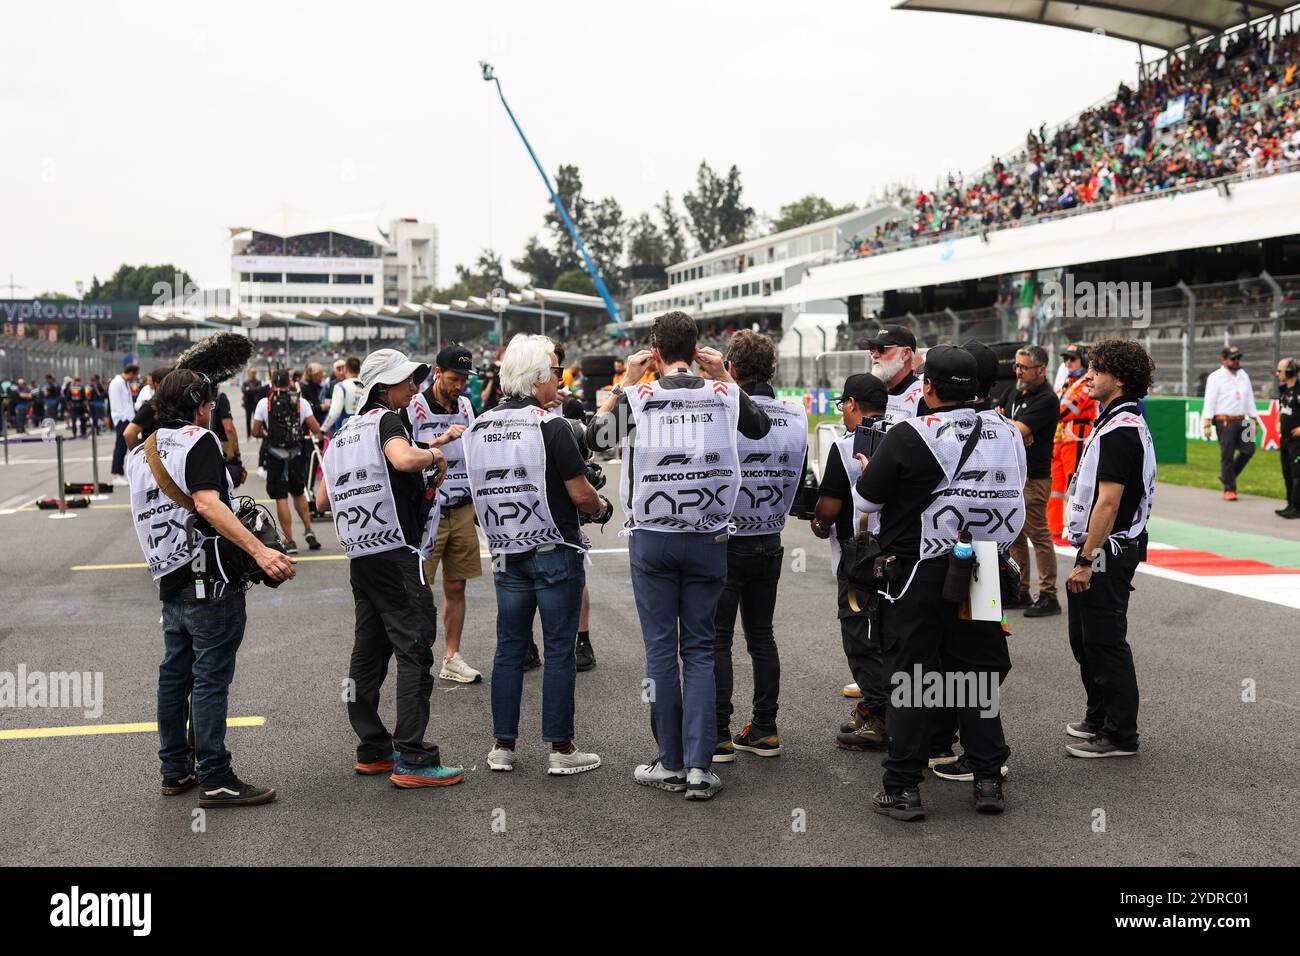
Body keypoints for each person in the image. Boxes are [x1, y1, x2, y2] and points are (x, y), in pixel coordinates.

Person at [588, 311, 771, 801]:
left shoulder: (637, 395)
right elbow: (761, 426)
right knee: (701, 650)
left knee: (661, 652)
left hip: (652, 537)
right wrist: (725, 376)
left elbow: (596, 439)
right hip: (709, 537)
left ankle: (670, 762)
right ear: (696, 349)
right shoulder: (724, 393)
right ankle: (697, 766)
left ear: (654, 350)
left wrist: (626, 381)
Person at [855, 346, 1026, 821]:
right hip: (985, 563)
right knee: (977, 674)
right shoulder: (1008, 430)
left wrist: (872, 469)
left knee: (912, 677)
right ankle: (988, 777)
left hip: (921, 567)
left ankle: (903, 787)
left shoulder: (912, 432)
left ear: (927, 387)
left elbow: (867, 502)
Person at [126, 369, 295, 806]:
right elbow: (205, 503)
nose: (212, 410)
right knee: (209, 681)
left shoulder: (138, 452)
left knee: (174, 677)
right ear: (199, 403)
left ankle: (175, 769)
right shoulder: (198, 441)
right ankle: (216, 776)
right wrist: (260, 552)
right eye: (210, 402)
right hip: (209, 578)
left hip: (169, 579)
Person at [316, 348, 465, 789]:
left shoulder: (343, 432)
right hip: (398, 554)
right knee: (415, 650)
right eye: (407, 381)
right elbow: (402, 459)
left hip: (361, 557)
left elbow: (322, 500)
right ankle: (414, 757)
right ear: (383, 387)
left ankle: (374, 749)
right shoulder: (387, 421)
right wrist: (434, 458)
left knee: (368, 653)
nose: (414, 387)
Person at [462, 334, 610, 776]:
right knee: (560, 648)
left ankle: (502, 747)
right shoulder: (551, 425)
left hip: (506, 550)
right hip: (554, 548)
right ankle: (561, 749)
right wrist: (601, 508)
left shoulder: (480, 425)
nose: (559, 381)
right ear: (539, 378)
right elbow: (581, 493)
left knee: (509, 648)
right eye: (555, 373)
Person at [712, 331, 807, 763]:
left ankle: (718, 733)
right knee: (762, 637)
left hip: (727, 537)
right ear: (771, 369)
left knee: (717, 640)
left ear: (731, 368)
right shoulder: (796, 411)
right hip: (770, 535)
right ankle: (765, 728)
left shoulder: (724, 408)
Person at [1063, 338, 1157, 759]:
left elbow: (1110, 501)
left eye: (1096, 369)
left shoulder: (1122, 429)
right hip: (1099, 545)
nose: (1088, 376)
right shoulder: (1115, 418)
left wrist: (1086, 560)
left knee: (1104, 640)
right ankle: (1099, 715)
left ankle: (1121, 734)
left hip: (1108, 549)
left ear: (1117, 379)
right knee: (1084, 638)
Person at [811, 373, 891, 751]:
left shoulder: (846, 447)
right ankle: (898, 710)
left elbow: (829, 506)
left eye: (843, 404)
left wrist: (817, 522)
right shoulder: (908, 434)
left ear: (852, 404)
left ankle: (877, 716)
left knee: (860, 634)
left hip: (861, 556)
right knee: (896, 636)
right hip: (903, 554)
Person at [404, 346, 483, 684]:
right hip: (428, 511)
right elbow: (401, 454)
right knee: (417, 590)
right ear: (437, 372)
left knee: (457, 586)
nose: (459, 386)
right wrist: (441, 439)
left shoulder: (467, 406)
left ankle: (451, 657)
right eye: (453, 378)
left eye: (464, 379)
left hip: (462, 506)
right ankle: (413, 658)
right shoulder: (413, 407)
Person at [1007, 345, 1061, 616]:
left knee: (1038, 535)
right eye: (1016, 365)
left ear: (1041, 370)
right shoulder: (1018, 393)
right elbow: (1007, 424)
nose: (1018, 370)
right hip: (1016, 475)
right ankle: (1021, 590)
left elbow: (1017, 428)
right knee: (1016, 536)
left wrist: (1016, 428)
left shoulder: (1047, 399)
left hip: (1035, 477)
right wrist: (1013, 427)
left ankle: (1049, 595)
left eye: (1023, 367)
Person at [252, 369, 322, 554]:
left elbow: (255, 431)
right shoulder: (301, 402)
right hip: (297, 454)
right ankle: (308, 530)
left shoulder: (264, 403)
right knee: (299, 493)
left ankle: (290, 541)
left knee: (280, 497)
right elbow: (315, 428)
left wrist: (266, 433)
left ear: (272, 382)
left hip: (275, 455)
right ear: (289, 382)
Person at [1049, 346, 1095, 541]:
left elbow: (1065, 411)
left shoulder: (1086, 384)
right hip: (1060, 440)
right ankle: (1054, 530)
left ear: (1083, 361)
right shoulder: (1067, 382)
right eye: (1066, 359)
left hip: (1076, 440)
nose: (1068, 362)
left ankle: (1077, 530)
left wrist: (1047, 413)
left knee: (1073, 487)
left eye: (1072, 359)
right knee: (1055, 489)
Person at [1202, 346, 1259, 501]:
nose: (1236, 361)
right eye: (1233, 358)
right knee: (1227, 454)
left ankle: (1227, 476)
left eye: (1238, 358)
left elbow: (1249, 398)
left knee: (1249, 450)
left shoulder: (1244, 375)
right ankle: (1230, 489)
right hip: (1224, 420)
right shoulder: (1215, 377)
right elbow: (1209, 401)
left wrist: (1254, 418)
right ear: (1224, 359)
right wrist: (1207, 423)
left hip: (1244, 420)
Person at [864, 325, 925, 423]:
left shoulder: (923, 397)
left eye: (881, 348)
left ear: (905, 354)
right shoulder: (867, 392)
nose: (874, 355)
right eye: (872, 349)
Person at [1275, 357, 1300, 519]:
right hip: (1285, 439)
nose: (1277, 374)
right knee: (1287, 472)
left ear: (1289, 371)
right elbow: (1282, 408)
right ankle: (1290, 504)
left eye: (1280, 370)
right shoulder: (1284, 390)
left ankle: (1297, 507)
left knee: (1298, 474)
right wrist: (1278, 421)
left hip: (1297, 441)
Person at [108, 364, 140, 484]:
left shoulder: (124, 382)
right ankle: (117, 474)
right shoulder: (116, 383)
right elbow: (116, 403)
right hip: (122, 419)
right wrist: (123, 419)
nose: (135, 378)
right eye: (135, 375)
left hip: (127, 419)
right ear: (131, 373)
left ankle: (119, 473)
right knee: (120, 447)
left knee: (122, 447)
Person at [322, 356, 363, 437]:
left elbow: (334, 412)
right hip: (361, 428)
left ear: (346, 369)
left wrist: (323, 429)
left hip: (344, 430)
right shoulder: (365, 386)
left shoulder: (340, 386)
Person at [240, 369, 267, 439]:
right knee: (248, 420)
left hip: (255, 403)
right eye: (252, 372)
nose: (253, 374)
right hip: (247, 403)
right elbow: (243, 390)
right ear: (249, 373)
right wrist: (252, 389)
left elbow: (259, 389)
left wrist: (249, 389)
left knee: (257, 419)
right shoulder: (245, 382)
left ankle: (257, 433)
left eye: (255, 372)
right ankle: (248, 435)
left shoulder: (258, 382)